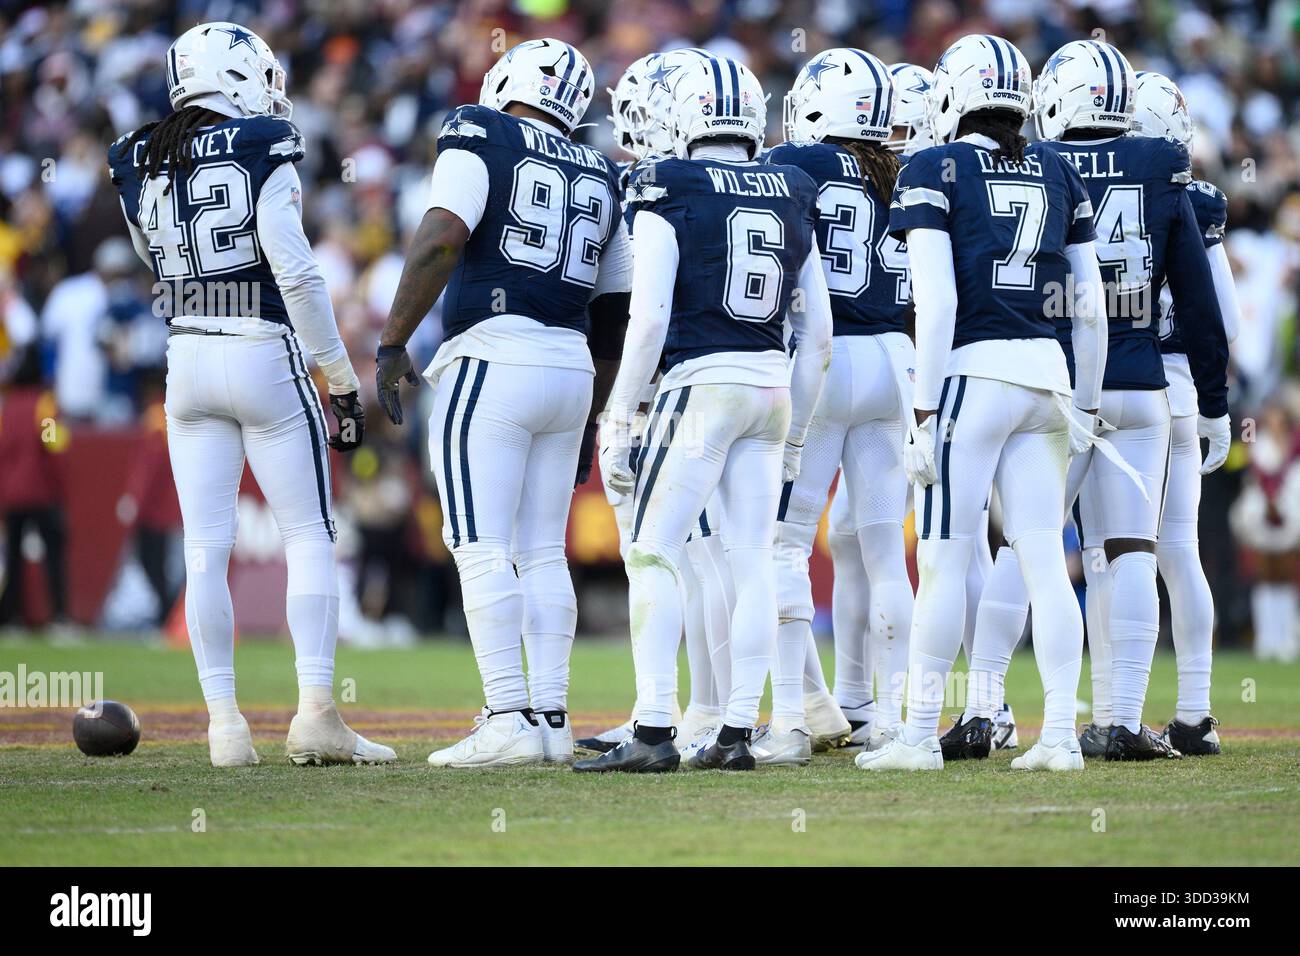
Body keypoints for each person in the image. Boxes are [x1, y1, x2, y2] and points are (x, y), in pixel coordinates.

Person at [108, 21, 394, 768]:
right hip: (261, 349)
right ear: (239, 75)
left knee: (204, 550)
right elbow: (296, 275)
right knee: (309, 536)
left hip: (187, 355)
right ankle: (316, 714)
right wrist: (337, 377)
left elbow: (154, 260)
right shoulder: (263, 142)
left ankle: (225, 728)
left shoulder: (140, 155)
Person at [374, 38, 632, 768]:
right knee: (542, 549)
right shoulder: (604, 173)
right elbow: (616, 309)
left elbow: (441, 237)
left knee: (478, 543)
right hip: (571, 366)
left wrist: (394, 341)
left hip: (493, 353)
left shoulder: (480, 130)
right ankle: (550, 718)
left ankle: (509, 716)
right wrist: (594, 410)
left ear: (508, 80)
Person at [574, 54, 832, 773]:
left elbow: (650, 318)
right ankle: (734, 734)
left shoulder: (667, 182)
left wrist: (619, 414)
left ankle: (653, 729)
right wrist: (799, 434)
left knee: (654, 551)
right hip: (772, 389)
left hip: (700, 386)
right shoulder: (791, 184)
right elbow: (820, 337)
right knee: (751, 562)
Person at [859, 33, 1106, 773]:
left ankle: (916, 737)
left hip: (971, 376)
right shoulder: (1060, 170)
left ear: (952, 95)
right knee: (1043, 563)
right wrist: (1086, 406)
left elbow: (935, 304)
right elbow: (1089, 306)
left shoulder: (934, 166)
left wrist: (924, 411)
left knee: (941, 560)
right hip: (1050, 377)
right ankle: (1059, 736)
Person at [1033, 41, 1231, 760]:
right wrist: (1214, 401)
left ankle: (986, 708)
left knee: (1019, 549)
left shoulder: (1039, 165)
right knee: (1142, 552)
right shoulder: (1168, 175)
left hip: (1057, 383)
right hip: (1151, 384)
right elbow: (1209, 313)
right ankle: (1129, 718)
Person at [755, 48, 914, 764]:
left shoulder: (800, 163)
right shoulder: (900, 172)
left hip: (826, 356)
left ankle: (792, 720)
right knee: (885, 554)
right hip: (894, 359)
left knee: (783, 544)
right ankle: (893, 717)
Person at [1134, 70, 1242, 754]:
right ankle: (1196, 713)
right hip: (1181, 391)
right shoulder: (1195, 200)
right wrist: (1214, 405)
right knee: (1180, 551)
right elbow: (1222, 317)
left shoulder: (1094, 184)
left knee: (1117, 552)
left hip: (1126, 384)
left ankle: (1117, 712)